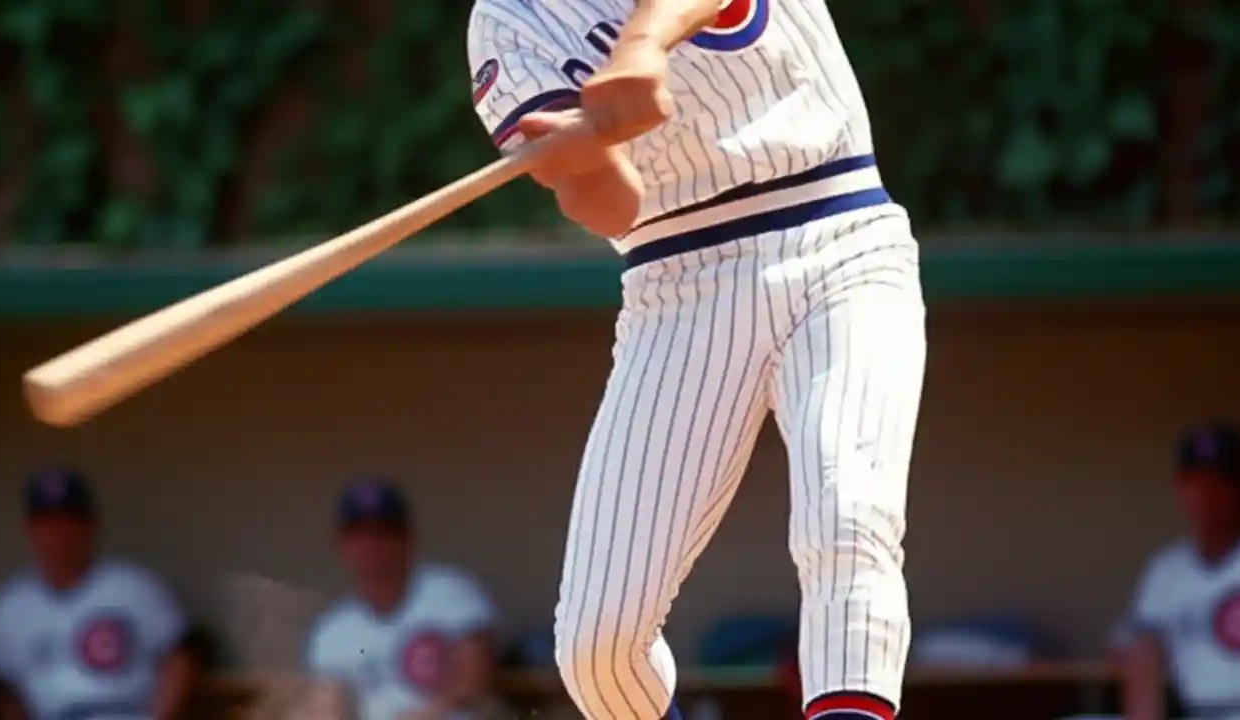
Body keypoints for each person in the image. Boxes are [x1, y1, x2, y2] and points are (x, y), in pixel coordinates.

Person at [467, 1, 926, 719]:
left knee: (845, 520)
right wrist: (578, 165)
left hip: (836, 228)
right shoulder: (505, 22)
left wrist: (642, 45)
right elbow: (617, 206)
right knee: (597, 644)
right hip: (677, 284)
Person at [0, 466, 195, 720]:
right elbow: (1, 689)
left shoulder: (133, 586)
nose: (59, 534)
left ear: (92, 524)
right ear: (30, 529)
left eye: (69, 521)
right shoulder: (8, 605)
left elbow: (185, 651)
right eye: (48, 523)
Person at [305, 477, 499, 720]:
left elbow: (474, 680)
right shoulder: (331, 631)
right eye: (360, 534)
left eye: (384, 532)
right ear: (342, 544)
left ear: (408, 537)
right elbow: (329, 709)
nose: (372, 545)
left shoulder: (452, 594)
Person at [1117, 422, 1240, 720]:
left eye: (1219, 482)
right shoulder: (1166, 570)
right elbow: (1143, 655)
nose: (1205, 495)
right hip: (1197, 711)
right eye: (1194, 481)